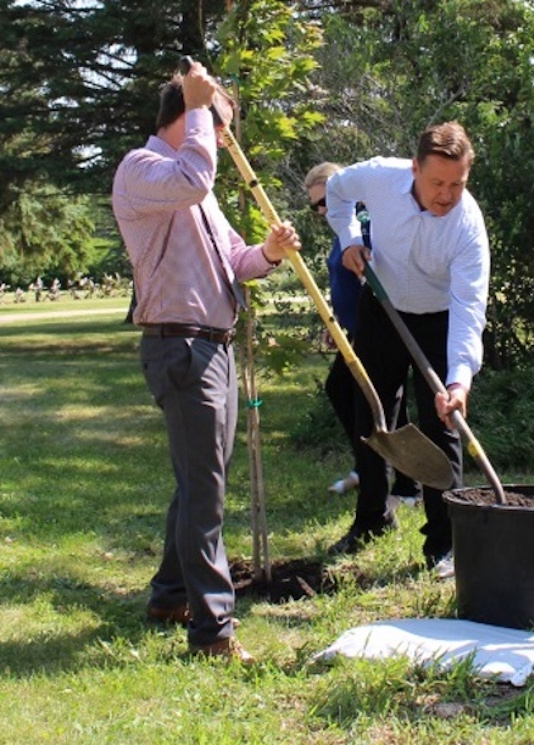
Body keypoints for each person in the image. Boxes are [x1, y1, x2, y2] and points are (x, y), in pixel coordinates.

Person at [112, 60, 301, 663]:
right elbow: (195, 177)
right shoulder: (143, 170)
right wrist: (201, 107)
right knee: (206, 492)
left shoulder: (197, 185)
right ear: (186, 115)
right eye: (221, 125)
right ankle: (213, 633)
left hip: (210, 346)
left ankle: (170, 595)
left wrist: (268, 253)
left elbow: (233, 262)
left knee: (199, 484)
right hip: (180, 346)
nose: (224, 140)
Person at [324, 122, 490, 577]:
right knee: (370, 415)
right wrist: (351, 239)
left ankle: (444, 544)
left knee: (444, 425)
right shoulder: (379, 176)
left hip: (438, 321)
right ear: (414, 168)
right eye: (437, 182)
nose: (446, 194)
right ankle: (372, 518)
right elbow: (336, 193)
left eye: (457, 184)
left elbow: (469, 309)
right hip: (384, 307)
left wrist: (459, 379)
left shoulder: (467, 228)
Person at [303, 162, 421, 504]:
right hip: (353, 332)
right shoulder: (345, 230)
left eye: (325, 201)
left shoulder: (365, 225)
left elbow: (371, 272)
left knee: (378, 404)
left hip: (378, 331)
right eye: (316, 207)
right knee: (351, 393)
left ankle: (401, 483)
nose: (323, 211)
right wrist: (336, 322)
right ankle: (373, 468)